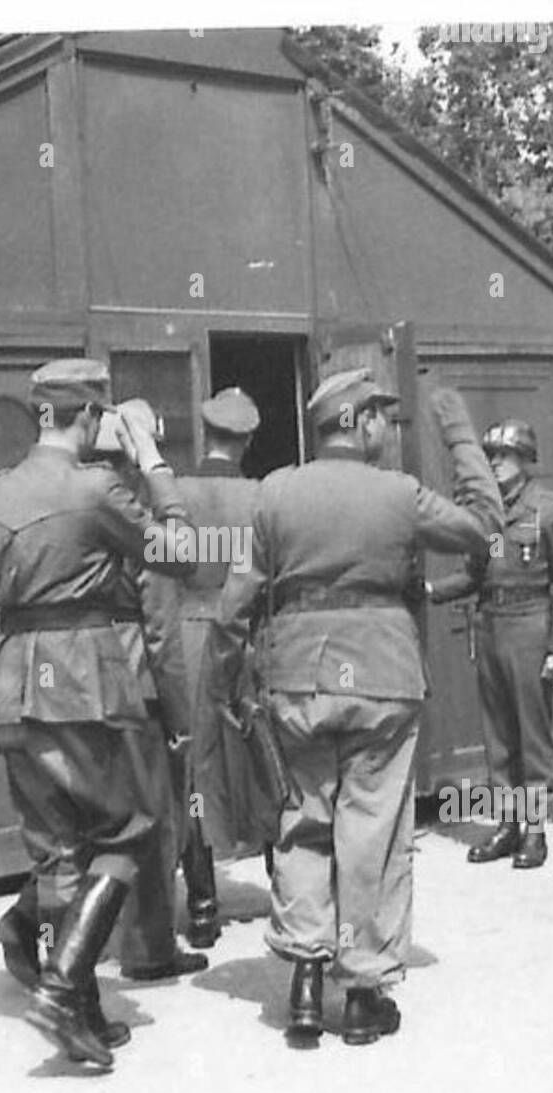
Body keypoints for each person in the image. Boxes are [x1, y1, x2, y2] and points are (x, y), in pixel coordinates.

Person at [206, 369, 502, 1045]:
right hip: (383, 679)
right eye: (384, 420)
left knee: (303, 822)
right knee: (372, 830)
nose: (388, 432)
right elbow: (484, 527)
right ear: (359, 419)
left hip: (298, 680)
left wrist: (227, 686)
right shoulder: (399, 494)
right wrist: (455, 429)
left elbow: (235, 606)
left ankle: (306, 983)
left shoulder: (276, 491)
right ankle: (363, 994)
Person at [0, 361, 197, 1068]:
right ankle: (61, 989)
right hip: (83, 683)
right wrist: (152, 463)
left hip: (13, 689)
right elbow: (180, 553)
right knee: (128, 831)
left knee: (58, 849)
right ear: (89, 416)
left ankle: (82, 1012)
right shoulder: (96, 488)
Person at [428, 419, 553, 868]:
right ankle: (509, 825)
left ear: (524, 459)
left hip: (531, 625)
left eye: (503, 455)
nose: (494, 463)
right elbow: (473, 576)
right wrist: (430, 590)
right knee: (498, 737)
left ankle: (534, 833)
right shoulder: (486, 514)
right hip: (491, 625)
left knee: (532, 737)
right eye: (490, 455)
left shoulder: (550, 510)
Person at [176, 386, 272, 947]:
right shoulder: (264, 497)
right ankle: (284, 885)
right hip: (248, 637)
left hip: (191, 639)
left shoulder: (177, 496)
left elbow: (159, 571)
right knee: (265, 760)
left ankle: (204, 906)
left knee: (196, 770)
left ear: (205, 432)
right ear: (248, 441)